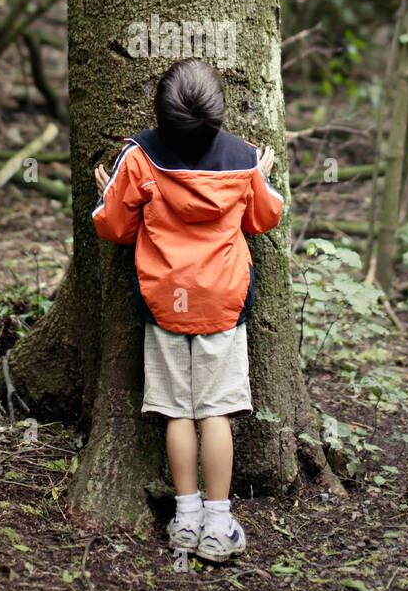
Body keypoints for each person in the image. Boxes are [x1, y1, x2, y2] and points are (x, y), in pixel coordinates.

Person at [92, 58, 283, 562]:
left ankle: (186, 518)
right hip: (222, 301)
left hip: (165, 301)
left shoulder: (138, 158)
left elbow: (112, 226)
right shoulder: (242, 160)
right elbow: (264, 219)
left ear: (159, 110)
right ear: (218, 113)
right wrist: (260, 178)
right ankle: (219, 525)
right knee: (216, 410)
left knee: (178, 410)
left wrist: (103, 195)